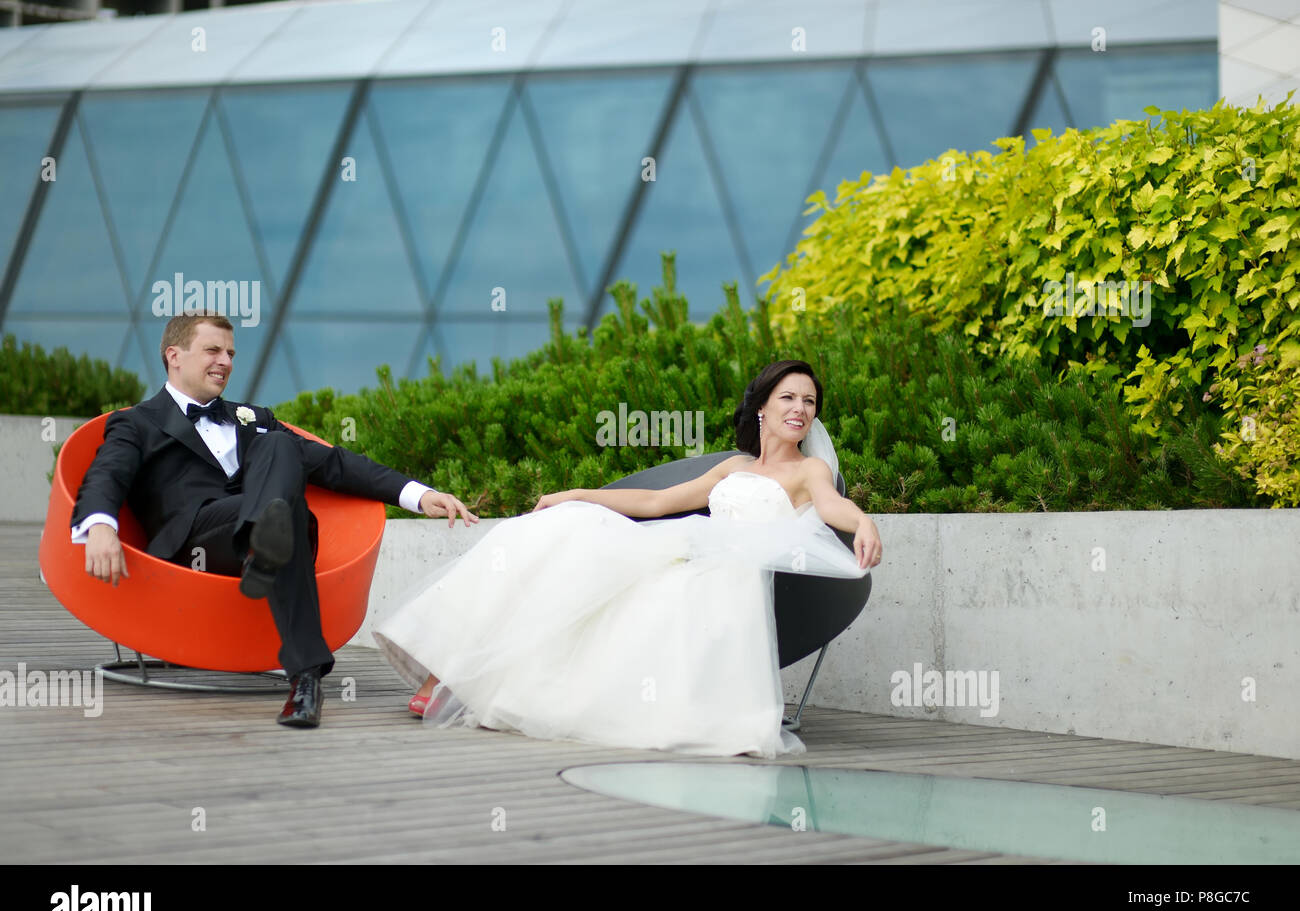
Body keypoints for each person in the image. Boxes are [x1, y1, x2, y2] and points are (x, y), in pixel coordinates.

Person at [373, 360, 882, 757]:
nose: (800, 408)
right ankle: (451, 673)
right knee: (552, 531)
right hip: (687, 547)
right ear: (762, 409)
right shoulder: (733, 466)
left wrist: (864, 521)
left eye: (809, 401)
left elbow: (832, 504)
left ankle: (470, 681)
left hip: (729, 572)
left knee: (621, 577)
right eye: (788, 397)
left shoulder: (809, 470)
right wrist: (578, 493)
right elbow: (657, 503)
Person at [71, 310, 478, 728]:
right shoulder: (138, 423)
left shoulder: (253, 419)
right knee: (287, 517)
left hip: (269, 540)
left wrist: (419, 494)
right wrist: (101, 524)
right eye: (213, 350)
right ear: (174, 355)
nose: (225, 361)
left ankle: (302, 674)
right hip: (196, 545)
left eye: (230, 353)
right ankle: (269, 553)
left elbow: (335, 463)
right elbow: (107, 473)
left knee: (282, 455)